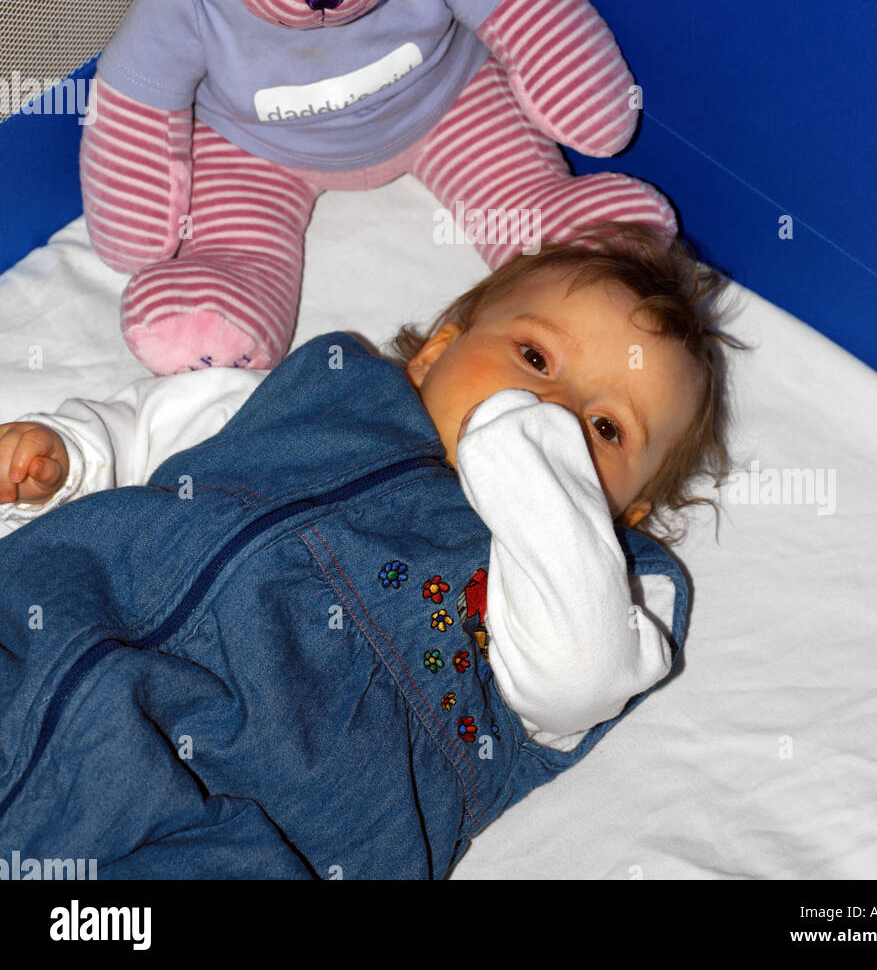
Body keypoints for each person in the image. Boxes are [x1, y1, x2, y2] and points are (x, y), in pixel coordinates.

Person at [0, 223, 739, 879]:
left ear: (628, 514)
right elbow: (153, 427)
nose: (554, 413)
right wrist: (69, 457)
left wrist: (545, 489)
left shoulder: (590, 596)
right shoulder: (319, 392)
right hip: (57, 629)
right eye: (534, 358)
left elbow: (577, 680)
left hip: (240, 813)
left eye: (606, 429)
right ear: (436, 353)